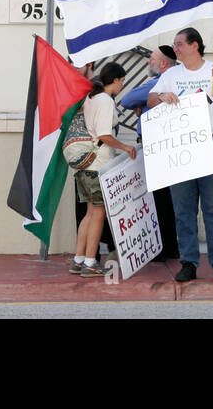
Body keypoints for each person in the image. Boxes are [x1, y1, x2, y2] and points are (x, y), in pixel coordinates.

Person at [147, 27, 213, 283]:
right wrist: (163, 96)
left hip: (211, 144)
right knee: (184, 208)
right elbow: (151, 99)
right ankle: (189, 262)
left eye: (179, 43)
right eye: (175, 44)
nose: (175, 48)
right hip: (180, 147)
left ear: (195, 45)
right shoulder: (172, 74)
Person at [71, 62, 136, 277]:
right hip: (99, 164)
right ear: (115, 80)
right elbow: (104, 136)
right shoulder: (106, 101)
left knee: (89, 214)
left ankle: (78, 259)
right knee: (98, 214)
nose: (122, 86)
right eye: (122, 81)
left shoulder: (91, 97)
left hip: (84, 165)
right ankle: (90, 262)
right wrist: (126, 147)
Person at [117, 45, 181, 260]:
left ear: (163, 64)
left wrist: (142, 106)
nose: (148, 62)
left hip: (156, 146)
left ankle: (163, 248)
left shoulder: (156, 84)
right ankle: (170, 246)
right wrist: (145, 106)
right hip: (169, 146)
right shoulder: (175, 80)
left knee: (159, 199)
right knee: (168, 199)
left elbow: (126, 100)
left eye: (152, 59)